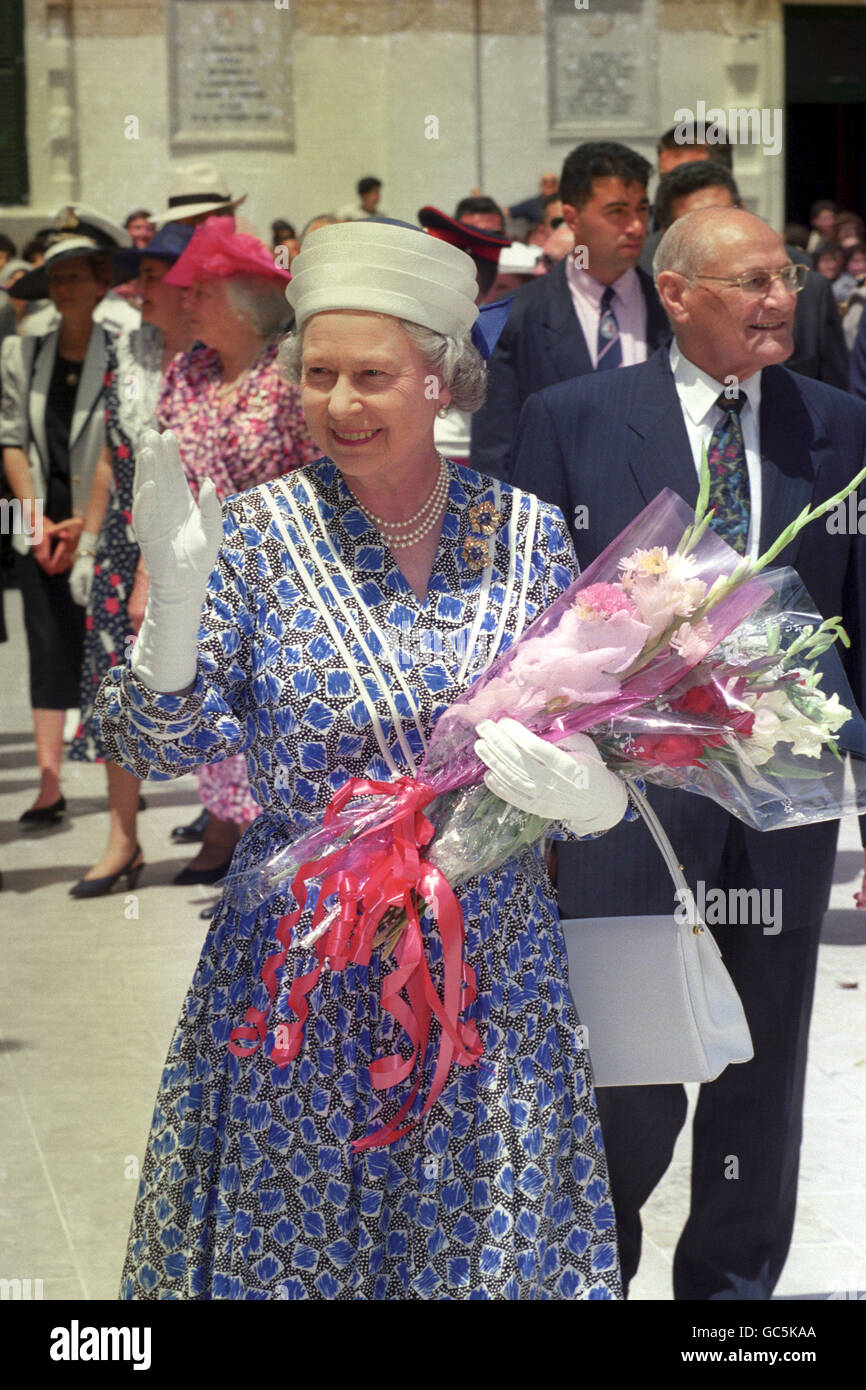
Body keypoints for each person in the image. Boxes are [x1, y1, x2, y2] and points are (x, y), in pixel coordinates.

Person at [94, 217, 630, 1300]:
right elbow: (157, 742)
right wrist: (173, 611)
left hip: (490, 966)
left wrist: (595, 794)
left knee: (483, 1252)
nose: (338, 404)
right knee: (303, 1252)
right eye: (318, 375)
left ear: (442, 383)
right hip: (304, 970)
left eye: (372, 376)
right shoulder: (249, 536)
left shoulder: (525, 533)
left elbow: (601, 726)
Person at [508, 206, 866, 1300]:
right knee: (622, 1068)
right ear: (674, 294)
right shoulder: (571, 419)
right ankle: (587, 1269)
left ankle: (729, 1295)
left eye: (786, 277)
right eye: (750, 280)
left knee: (760, 1063)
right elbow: (523, 616)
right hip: (625, 802)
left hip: (785, 797)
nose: (781, 299)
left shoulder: (837, 425)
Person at [156, 216, 319, 887]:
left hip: (281, 581)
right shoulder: (184, 373)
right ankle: (237, 841)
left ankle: (281, 858)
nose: (186, 299)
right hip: (197, 582)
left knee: (279, 721)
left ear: (243, 304)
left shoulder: (288, 374)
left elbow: (319, 478)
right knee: (213, 722)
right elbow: (166, 479)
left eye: (201, 290)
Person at [65, 222, 196, 896]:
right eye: (137, 275)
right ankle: (123, 837)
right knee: (119, 689)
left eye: (152, 276)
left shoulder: (212, 355)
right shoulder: (128, 350)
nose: (139, 289)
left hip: (195, 536)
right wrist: (89, 541)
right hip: (124, 541)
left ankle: (226, 828)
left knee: (212, 682)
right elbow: (112, 462)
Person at [1, 215, 129, 823]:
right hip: (30, 517)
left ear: (101, 283)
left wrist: (84, 527)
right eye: (56, 279)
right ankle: (49, 783)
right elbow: (9, 441)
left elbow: (116, 445)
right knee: (45, 643)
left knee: (108, 654)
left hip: (99, 522)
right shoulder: (19, 351)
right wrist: (30, 525)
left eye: (76, 277)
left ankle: (120, 790)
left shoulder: (125, 352)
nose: (65, 289)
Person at [469, 141, 670, 479]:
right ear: (573, 217)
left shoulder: (672, 311)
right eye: (618, 211)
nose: (636, 226)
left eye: (642, 209)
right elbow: (494, 452)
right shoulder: (516, 319)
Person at [647, 160, 850, 390]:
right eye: (699, 225)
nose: (782, 299)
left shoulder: (809, 289)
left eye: (726, 217)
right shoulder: (644, 294)